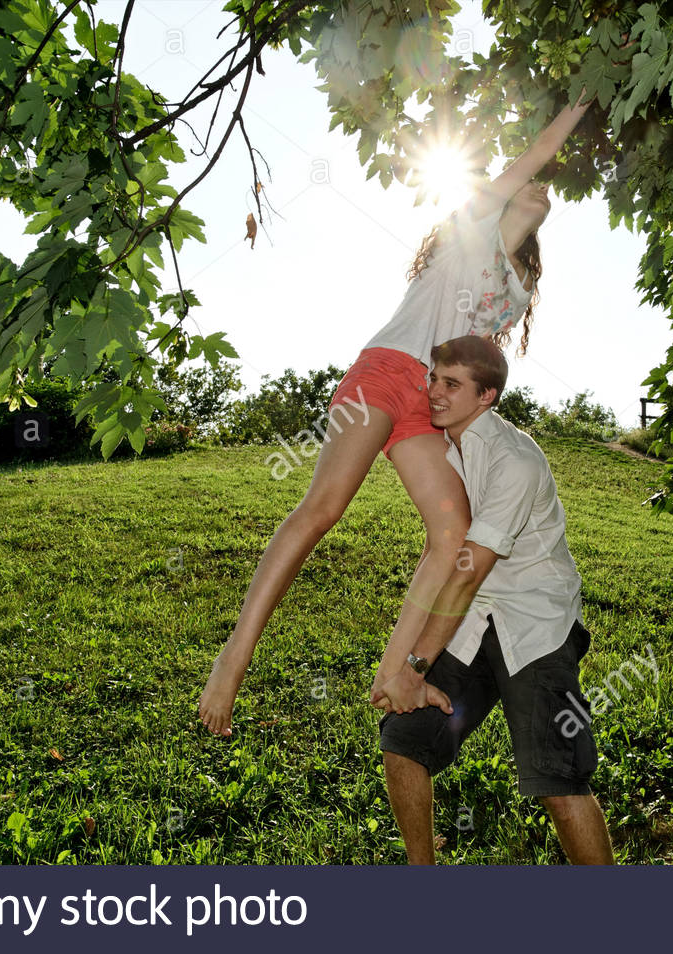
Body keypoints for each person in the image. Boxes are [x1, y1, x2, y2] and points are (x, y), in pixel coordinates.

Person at [198, 93, 593, 737]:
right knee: (324, 507)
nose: (539, 188)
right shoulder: (467, 230)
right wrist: (581, 104)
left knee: (453, 533)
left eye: (544, 193)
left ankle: (398, 667)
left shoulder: (515, 293)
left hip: (431, 404)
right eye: (530, 184)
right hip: (387, 370)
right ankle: (234, 656)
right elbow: (537, 156)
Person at [373, 336, 614, 865]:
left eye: (451, 384)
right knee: (403, 742)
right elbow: (443, 557)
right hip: (474, 622)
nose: (434, 391)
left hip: (535, 628)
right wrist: (402, 666)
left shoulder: (515, 460)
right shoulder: (448, 451)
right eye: (433, 377)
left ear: (487, 396)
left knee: (559, 780)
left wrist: (414, 666)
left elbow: (466, 573)